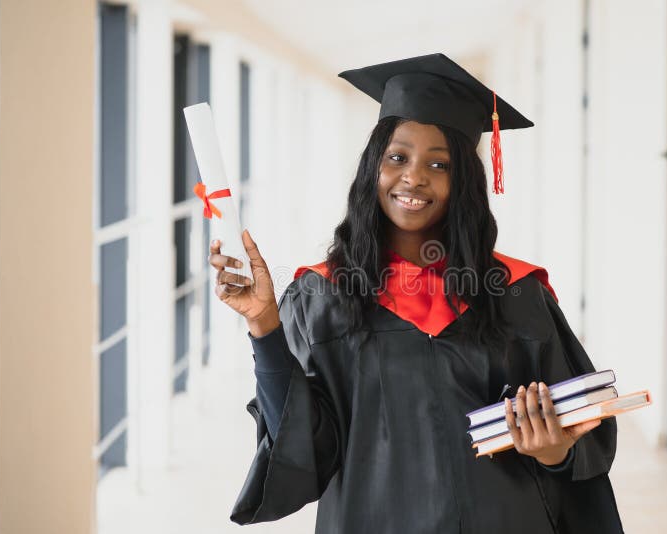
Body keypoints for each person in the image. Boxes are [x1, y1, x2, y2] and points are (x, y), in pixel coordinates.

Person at [208, 53, 624, 533]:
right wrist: (264, 323)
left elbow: (585, 425)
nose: (414, 177)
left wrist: (555, 449)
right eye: (398, 157)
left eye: (439, 164)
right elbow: (304, 448)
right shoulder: (320, 295)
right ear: (373, 168)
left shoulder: (515, 292)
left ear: (462, 181)